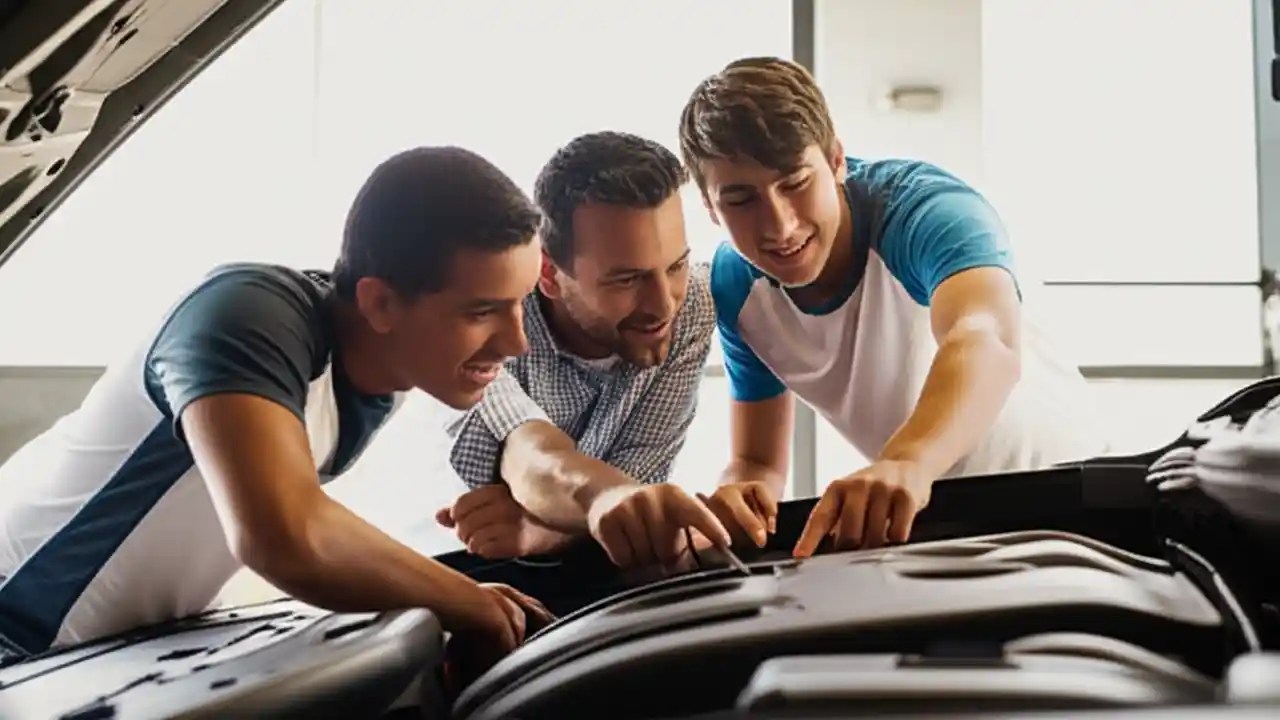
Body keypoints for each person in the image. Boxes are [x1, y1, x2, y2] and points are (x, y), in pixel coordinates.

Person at [0, 147, 551, 666]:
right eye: (481, 312)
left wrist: (457, 593)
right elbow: (285, 537)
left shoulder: (383, 370)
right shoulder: (246, 315)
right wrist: (463, 600)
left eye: (519, 307)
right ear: (379, 302)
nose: (516, 342)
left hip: (107, 653)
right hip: (17, 632)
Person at [679, 57, 1109, 557]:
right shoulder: (734, 286)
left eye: (795, 183)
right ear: (709, 207)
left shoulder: (926, 210)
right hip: (933, 529)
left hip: (1072, 507)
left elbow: (984, 337)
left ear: (836, 159)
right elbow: (757, 462)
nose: (779, 226)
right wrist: (736, 494)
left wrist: (905, 462)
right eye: (740, 200)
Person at [436, 131, 734, 570]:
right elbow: (530, 452)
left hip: (593, 578)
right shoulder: (486, 323)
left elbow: (637, 500)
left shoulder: (689, 307)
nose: (663, 303)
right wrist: (604, 500)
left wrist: (541, 528)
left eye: (675, 266)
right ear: (550, 275)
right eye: (627, 279)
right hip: (442, 570)